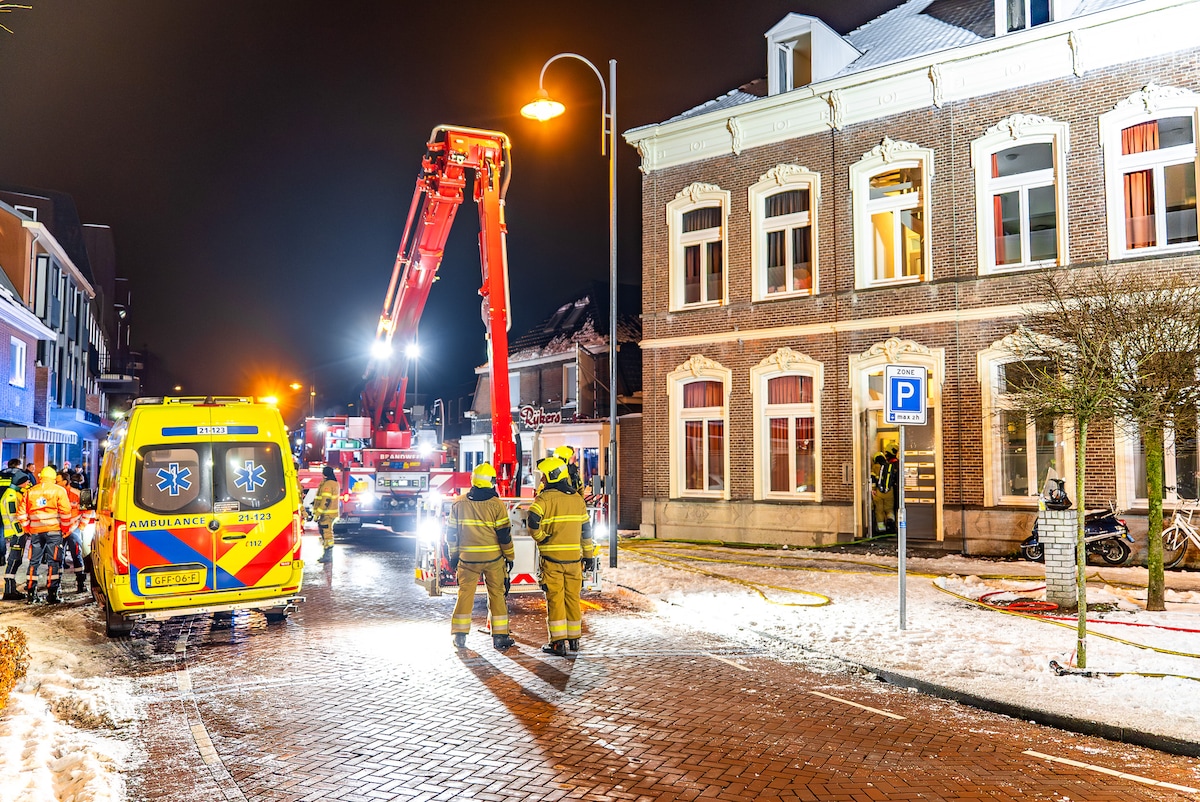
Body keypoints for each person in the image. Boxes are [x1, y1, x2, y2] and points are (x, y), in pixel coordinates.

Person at [528, 456, 594, 656]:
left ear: (551, 476)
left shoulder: (544, 499)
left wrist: (541, 538)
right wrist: (589, 556)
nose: (542, 480)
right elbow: (586, 531)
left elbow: (532, 521)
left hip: (552, 561)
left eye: (543, 476)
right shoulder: (577, 500)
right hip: (574, 561)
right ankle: (574, 641)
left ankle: (557, 644)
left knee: (555, 600)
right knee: (573, 598)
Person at [446, 462, 516, 651]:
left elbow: (451, 534)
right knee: (497, 595)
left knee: (465, 594)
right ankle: (500, 637)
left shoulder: (459, 503)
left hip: (467, 559)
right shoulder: (497, 504)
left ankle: (459, 635)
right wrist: (510, 556)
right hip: (493, 560)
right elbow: (504, 535)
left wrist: (454, 555)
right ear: (491, 481)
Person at [22, 466, 72, 603]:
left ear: (41, 477)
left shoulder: (31, 491)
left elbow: (21, 513)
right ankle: (52, 594)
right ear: (54, 478)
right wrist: (65, 529)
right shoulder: (59, 491)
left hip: (36, 532)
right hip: (54, 531)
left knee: (34, 562)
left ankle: (31, 594)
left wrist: (27, 528)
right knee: (53, 562)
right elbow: (65, 512)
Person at [0, 473, 31, 600]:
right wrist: (20, 533)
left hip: (15, 533)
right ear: (21, 482)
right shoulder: (11, 496)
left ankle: (11, 589)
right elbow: (13, 517)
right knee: (13, 561)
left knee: (16, 560)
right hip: (15, 533)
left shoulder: (14, 493)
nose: (28, 484)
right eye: (26, 482)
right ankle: (9, 591)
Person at [56, 469, 87, 594]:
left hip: (73, 530)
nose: (55, 483)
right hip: (59, 530)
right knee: (58, 558)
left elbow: (87, 510)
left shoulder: (77, 494)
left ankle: (81, 583)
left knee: (77, 556)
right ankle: (56, 585)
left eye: (57, 481)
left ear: (65, 482)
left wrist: (81, 526)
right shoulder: (55, 493)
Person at [313, 466, 339, 563]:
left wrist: (317, 513)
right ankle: (327, 555)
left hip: (326, 514)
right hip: (330, 514)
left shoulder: (328, 484)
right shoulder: (334, 483)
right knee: (326, 534)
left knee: (327, 535)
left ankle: (327, 556)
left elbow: (325, 501)